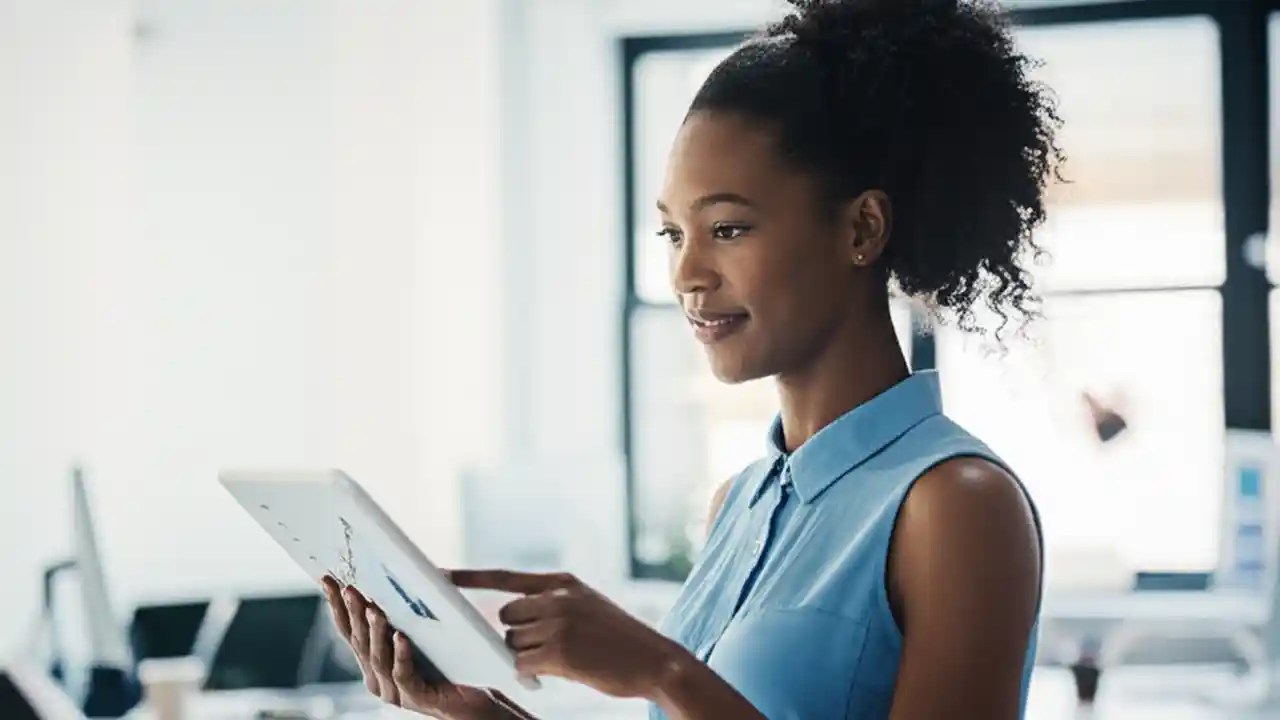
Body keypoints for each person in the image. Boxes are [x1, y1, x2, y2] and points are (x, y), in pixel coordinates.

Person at [322, 0, 1061, 716]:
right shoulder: (735, 505)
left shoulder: (957, 504)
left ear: (862, 229)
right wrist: (474, 712)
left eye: (729, 229)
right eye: (673, 235)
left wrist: (659, 667)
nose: (687, 276)